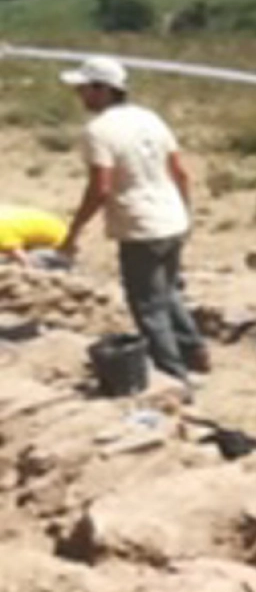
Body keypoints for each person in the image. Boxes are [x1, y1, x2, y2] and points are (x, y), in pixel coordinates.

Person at [58, 56, 204, 391]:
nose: (79, 96)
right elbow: (180, 172)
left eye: (83, 89)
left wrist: (74, 232)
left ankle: (173, 374)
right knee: (167, 292)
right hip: (172, 218)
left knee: (148, 304)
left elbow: (101, 188)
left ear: (102, 90)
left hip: (141, 225)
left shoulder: (98, 131)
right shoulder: (149, 119)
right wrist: (185, 213)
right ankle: (195, 349)